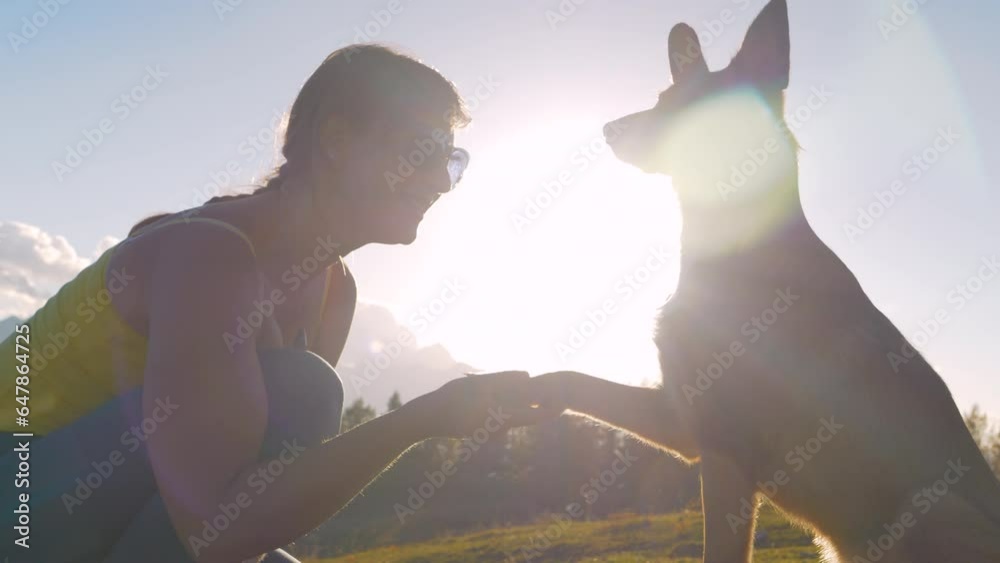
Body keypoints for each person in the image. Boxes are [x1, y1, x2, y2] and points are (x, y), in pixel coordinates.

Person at [0, 45, 559, 562]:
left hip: (90, 513)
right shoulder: (209, 251)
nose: (440, 180)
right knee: (302, 390)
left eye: (453, 159)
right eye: (423, 151)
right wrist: (416, 422)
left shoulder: (335, 291)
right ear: (336, 141)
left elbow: (253, 499)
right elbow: (217, 527)